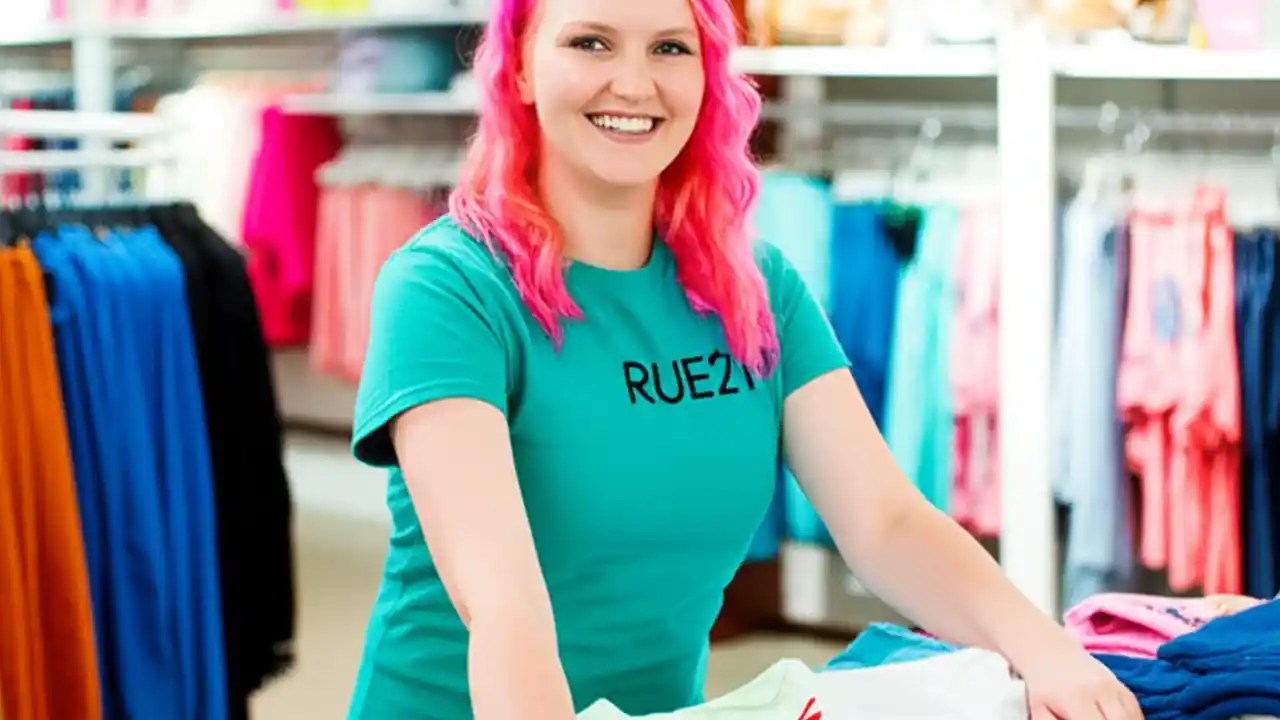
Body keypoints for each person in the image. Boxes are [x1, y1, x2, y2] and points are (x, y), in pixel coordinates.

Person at [345, 0, 1146, 717]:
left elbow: (886, 521)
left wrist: (1044, 650)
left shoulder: (754, 288)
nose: (634, 83)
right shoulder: (447, 289)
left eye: (671, 47)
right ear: (518, 65)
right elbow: (506, 607)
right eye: (591, 42)